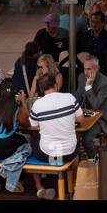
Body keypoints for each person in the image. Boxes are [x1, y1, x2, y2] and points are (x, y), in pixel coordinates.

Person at [28, 70, 81, 199]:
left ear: (41, 89)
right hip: (70, 152)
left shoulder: (37, 104)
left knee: (32, 141)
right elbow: (80, 118)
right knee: (77, 144)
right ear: (56, 85)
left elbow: (34, 126)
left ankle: (39, 186)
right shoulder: (69, 97)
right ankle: (71, 186)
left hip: (47, 153)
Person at [75, 52, 107, 158]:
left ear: (97, 68)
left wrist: (88, 87)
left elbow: (96, 105)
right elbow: (78, 96)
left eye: (89, 69)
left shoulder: (104, 82)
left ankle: (94, 160)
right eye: (84, 69)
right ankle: (78, 161)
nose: (86, 72)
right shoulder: (81, 77)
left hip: (101, 119)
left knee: (87, 139)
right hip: (86, 116)